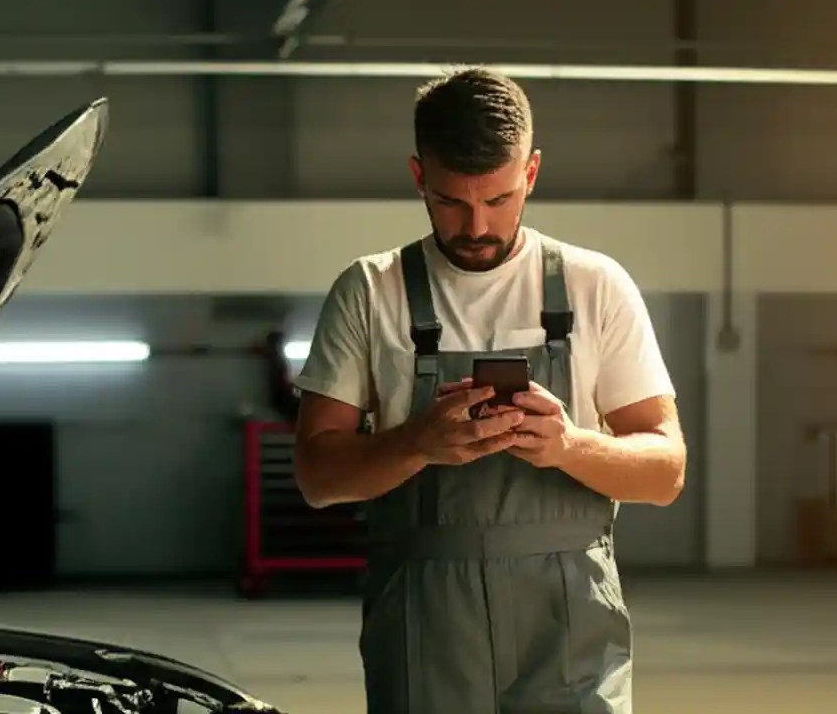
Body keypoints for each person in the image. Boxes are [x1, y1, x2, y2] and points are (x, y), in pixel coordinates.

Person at [291, 67, 686, 714]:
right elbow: (317, 475)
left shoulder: (596, 286)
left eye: (499, 199)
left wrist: (569, 446)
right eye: (451, 201)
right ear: (420, 176)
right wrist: (419, 442)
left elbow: (666, 472)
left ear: (530, 173)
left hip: (570, 620)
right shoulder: (370, 291)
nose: (476, 225)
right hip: (425, 620)